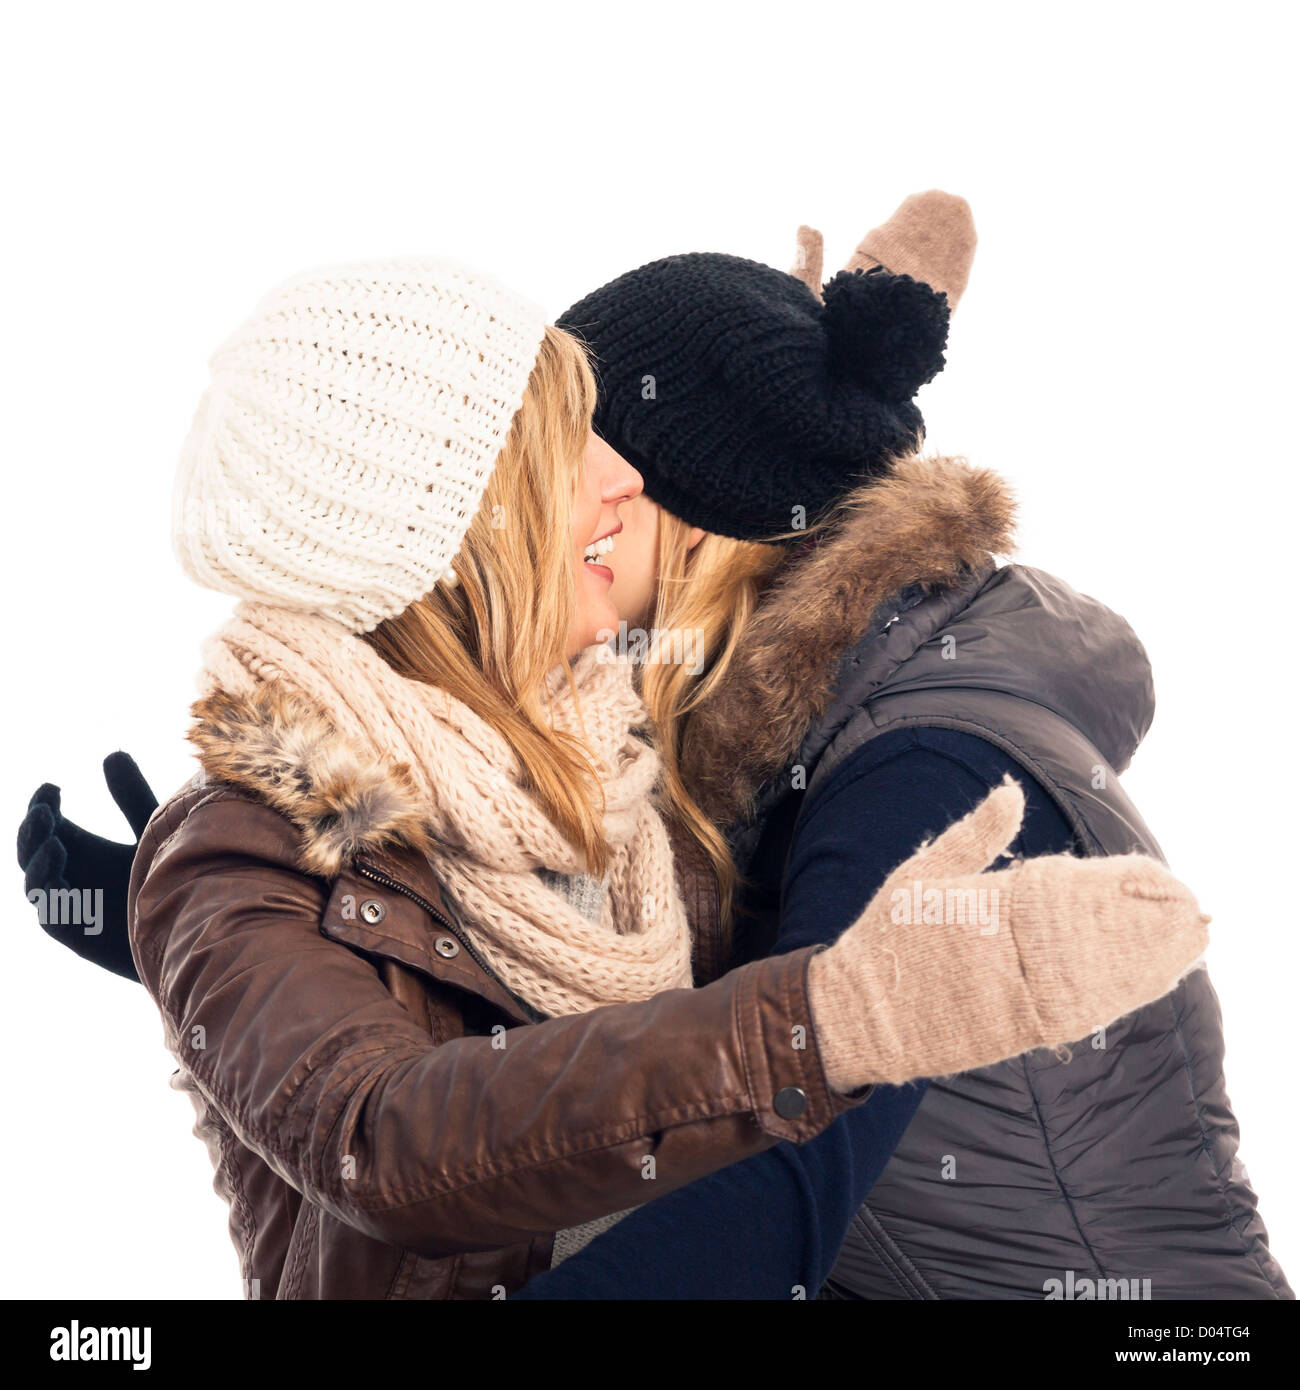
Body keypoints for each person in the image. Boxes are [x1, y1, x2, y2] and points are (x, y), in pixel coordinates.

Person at [17, 238, 1212, 1301]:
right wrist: (223, 936)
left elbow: (750, 1175)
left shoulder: (669, 790)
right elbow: (385, 1134)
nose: (622, 479)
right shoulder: (289, 830)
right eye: (565, 448)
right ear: (452, 537)